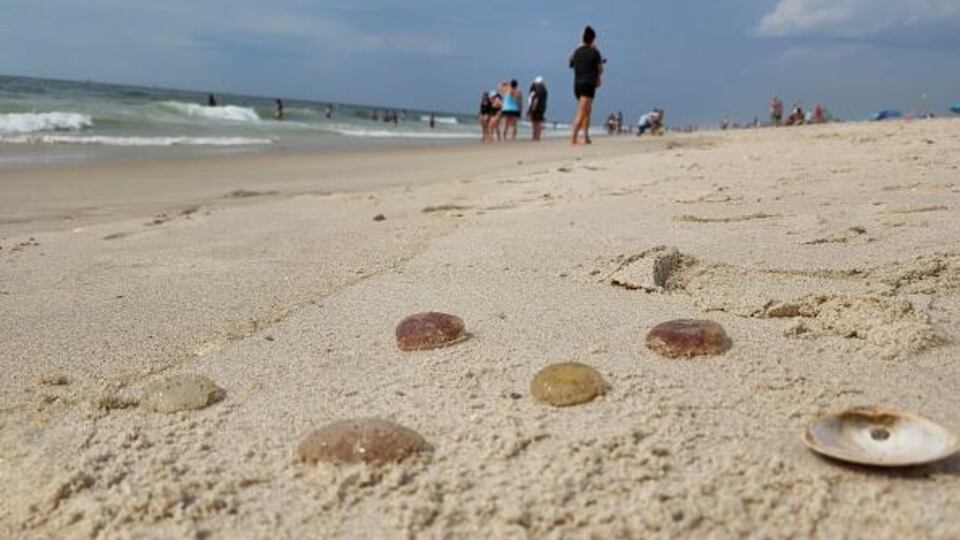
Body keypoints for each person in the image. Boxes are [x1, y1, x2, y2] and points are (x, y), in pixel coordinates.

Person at [569, 26, 604, 144]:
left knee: (588, 110)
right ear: (593, 39)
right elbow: (600, 68)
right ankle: (573, 138)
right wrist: (598, 78)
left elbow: (571, 62)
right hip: (588, 84)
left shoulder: (577, 51)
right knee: (582, 111)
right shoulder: (595, 52)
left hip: (577, 84)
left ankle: (586, 137)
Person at [528, 76, 548, 141]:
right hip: (542, 108)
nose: (535, 84)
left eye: (535, 83)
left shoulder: (539, 89)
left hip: (537, 108)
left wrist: (533, 107)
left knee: (535, 123)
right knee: (537, 122)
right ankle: (536, 137)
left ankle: (535, 137)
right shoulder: (544, 89)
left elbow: (536, 99)